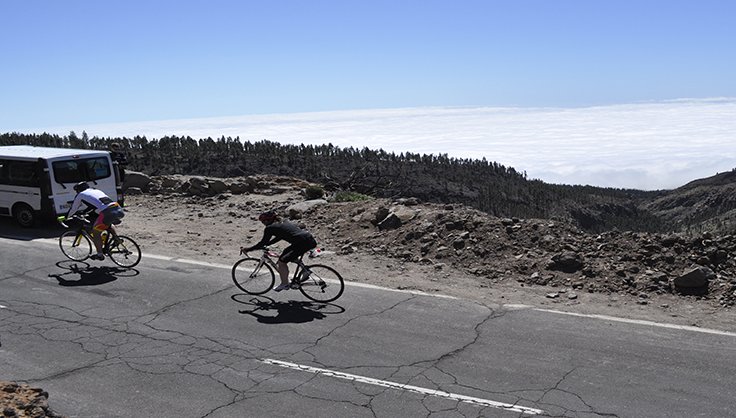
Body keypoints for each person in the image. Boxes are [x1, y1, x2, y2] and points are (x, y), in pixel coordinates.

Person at [241, 211, 317, 291]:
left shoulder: (270, 228)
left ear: (267, 220)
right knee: (287, 253)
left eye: (263, 221)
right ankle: (305, 270)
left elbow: (262, 242)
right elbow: (279, 237)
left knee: (282, 262)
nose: (263, 223)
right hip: (309, 239)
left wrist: (248, 249)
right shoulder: (283, 221)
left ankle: (284, 284)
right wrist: (268, 244)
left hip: (301, 243)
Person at [67, 182, 125, 260]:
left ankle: (99, 254)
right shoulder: (95, 190)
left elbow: (73, 208)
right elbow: (96, 205)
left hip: (107, 211)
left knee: (96, 231)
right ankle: (116, 239)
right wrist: (84, 212)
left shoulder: (80, 194)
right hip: (117, 208)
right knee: (108, 223)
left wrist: (66, 217)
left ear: (78, 190)